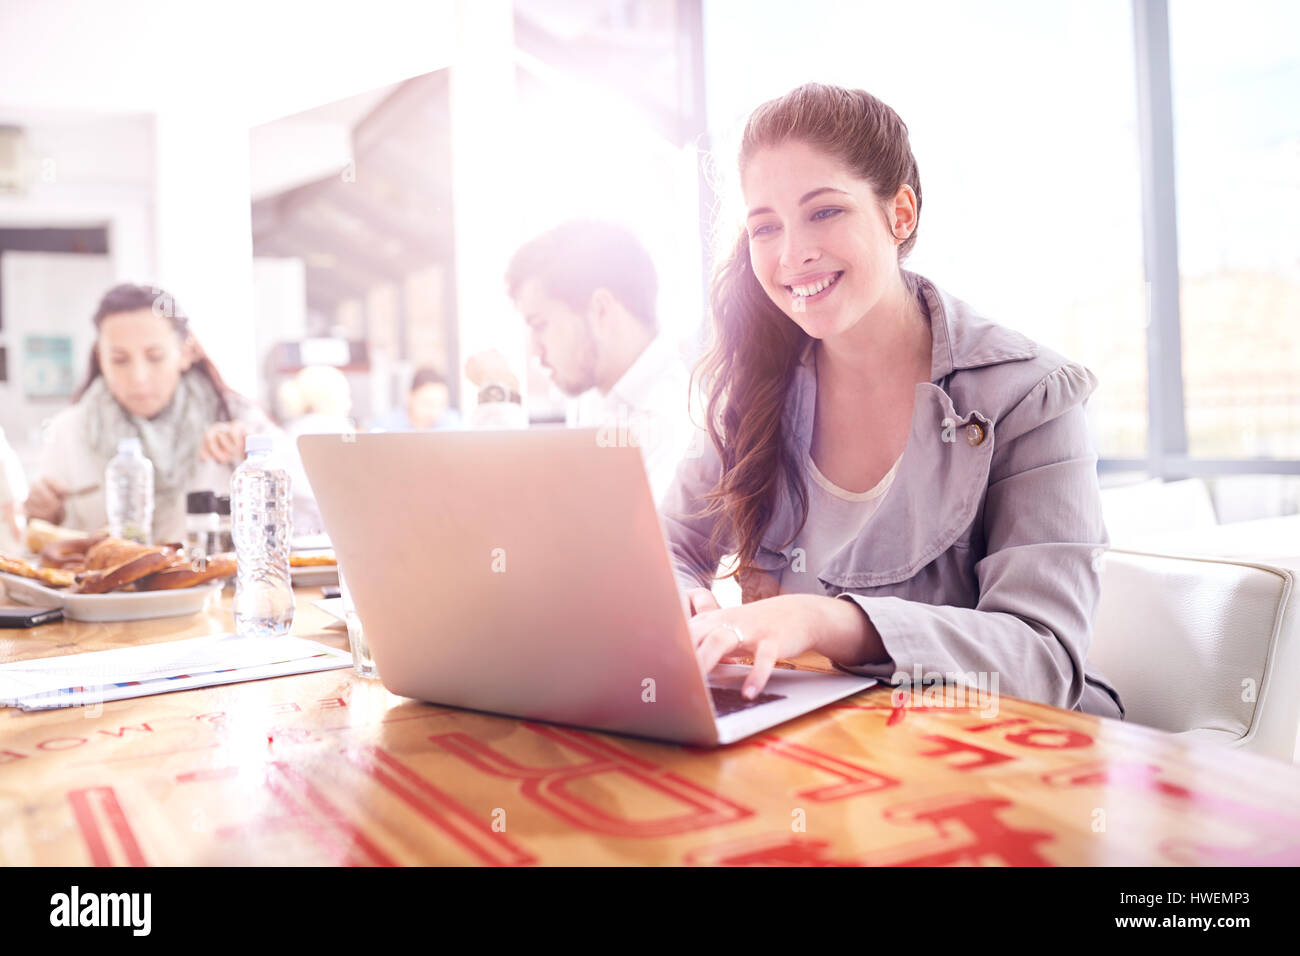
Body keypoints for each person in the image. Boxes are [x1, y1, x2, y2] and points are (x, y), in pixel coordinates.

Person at [662, 83, 1124, 720]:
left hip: (995, 758)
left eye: (824, 212)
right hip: (829, 749)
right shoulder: (758, 384)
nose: (792, 253)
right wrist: (680, 595)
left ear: (900, 214)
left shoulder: (1028, 394)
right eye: (765, 225)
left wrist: (827, 622)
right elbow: (669, 543)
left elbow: (1042, 658)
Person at [23, 283, 300, 543]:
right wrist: (45, 516)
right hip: (109, 593)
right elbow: (50, 545)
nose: (138, 377)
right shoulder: (69, 430)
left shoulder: (235, 417)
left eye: (155, 356)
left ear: (186, 352)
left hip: (215, 592)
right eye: (119, 360)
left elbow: (306, 512)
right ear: (100, 358)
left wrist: (252, 457)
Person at [465, 220, 693, 503]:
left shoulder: (666, 422)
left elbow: (526, 528)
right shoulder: (603, 400)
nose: (535, 351)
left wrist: (499, 395)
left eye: (540, 325)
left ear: (600, 310)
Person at [371, 367, 461, 432]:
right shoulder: (385, 424)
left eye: (441, 404)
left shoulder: (453, 424)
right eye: (427, 403)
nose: (435, 412)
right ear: (409, 397)